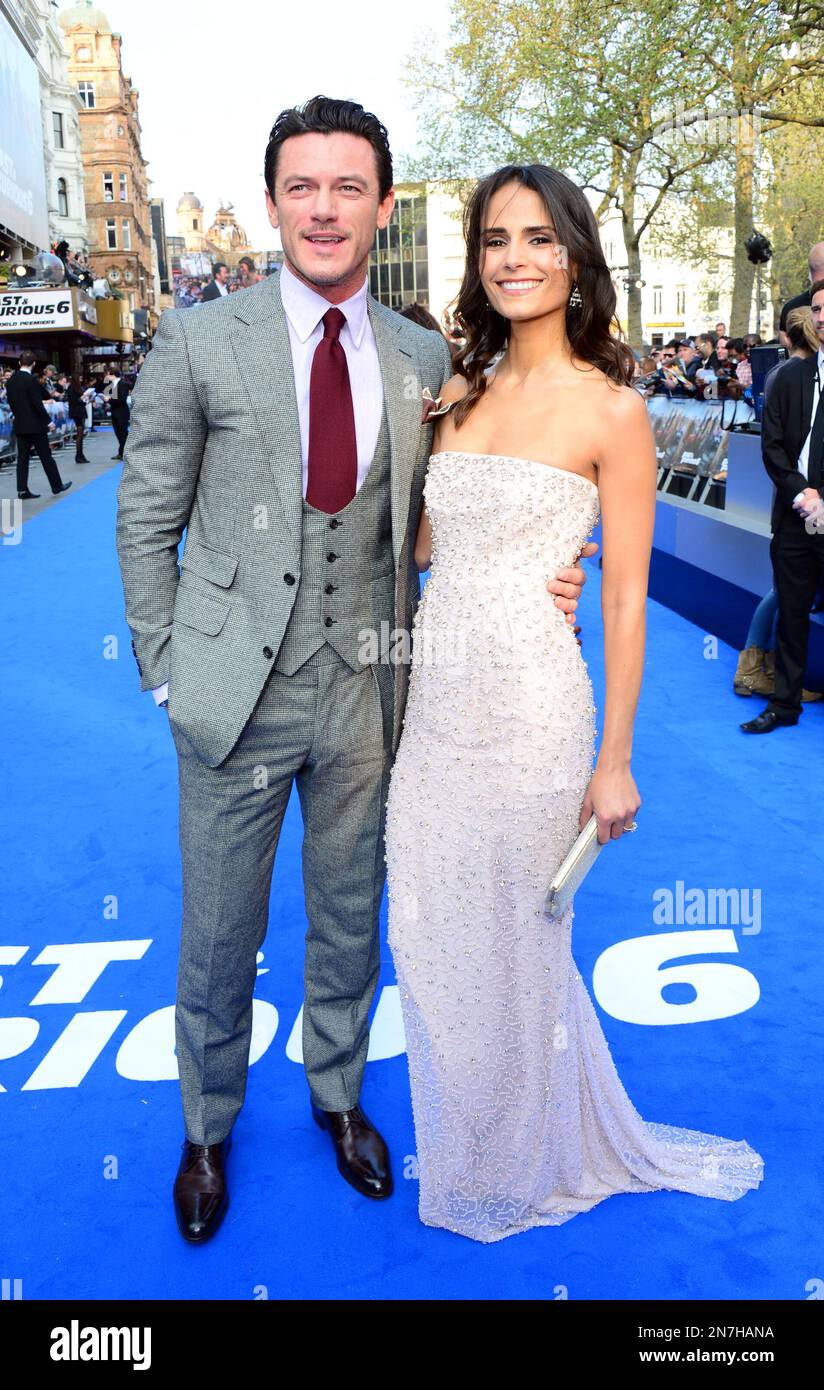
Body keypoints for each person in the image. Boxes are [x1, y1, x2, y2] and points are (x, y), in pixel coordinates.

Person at [115, 94, 597, 1245]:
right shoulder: (197, 339)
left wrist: (545, 570)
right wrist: (167, 671)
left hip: (374, 691)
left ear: (381, 208)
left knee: (349, 914)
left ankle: (337, 1099)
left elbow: (451, 515)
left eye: (347, 188)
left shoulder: (425, 353)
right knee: (219, 930)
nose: (323, 209)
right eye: (301, 186)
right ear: (273, 200)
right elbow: (144, 519)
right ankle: (205, 1124)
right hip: (231, 693)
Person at [384, 163, 764, 1242]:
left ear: (572, 257)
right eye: (494, 238)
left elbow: (630, 598)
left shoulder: (613, 409)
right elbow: (419, 550)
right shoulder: (455, 394)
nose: (513, 258)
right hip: (437, 709)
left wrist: (616, 757)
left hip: (534, 711)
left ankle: (523, 1156)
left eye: (537, 238)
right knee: (427, 925)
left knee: (520, 936)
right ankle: (470, 1142)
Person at [741, 279, 824, 733]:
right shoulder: (790, 376)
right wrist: (804, 495)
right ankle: (784, 703)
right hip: (796, 516)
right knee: (791, 613)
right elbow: (772, 447)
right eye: (816, 308)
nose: (823, 316)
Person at [5, 350, 72, 500]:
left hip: (20, 424)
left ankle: (22, 489)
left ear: (19, 363)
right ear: (34, 364)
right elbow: (38, 403)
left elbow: (12, 403)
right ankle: (56, 485)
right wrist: (49, 421)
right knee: (46, 456)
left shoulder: (10, 381)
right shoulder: (31, 381)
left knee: (22, 458)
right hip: (35, 425)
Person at [779, 240, 824, 348]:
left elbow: (786, 349)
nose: (821, 318)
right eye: (816, 310)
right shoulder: (791, 308)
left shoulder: (790, 308)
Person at [106, 365, 130, 459]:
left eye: (108, 375)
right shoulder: (112, 385)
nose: (107, 377)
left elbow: (122, 399)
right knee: (118, 433)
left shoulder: (122, 384)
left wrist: (109, 400)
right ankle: (121, 452)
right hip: (115, 412)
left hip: (122, 413)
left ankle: (125, 453)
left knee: (123, 433)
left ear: (113, 375)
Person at [66, 373, 90, 462]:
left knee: (81, 433)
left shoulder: (78, 388)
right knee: (79, 434)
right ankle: (79, 455)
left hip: (80, 411)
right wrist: (83, 398)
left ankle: (80, 454)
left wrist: (85, 398)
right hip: (77, 412)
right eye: (79, 378)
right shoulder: (71, 388)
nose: (81, 379)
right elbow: (74, 400)